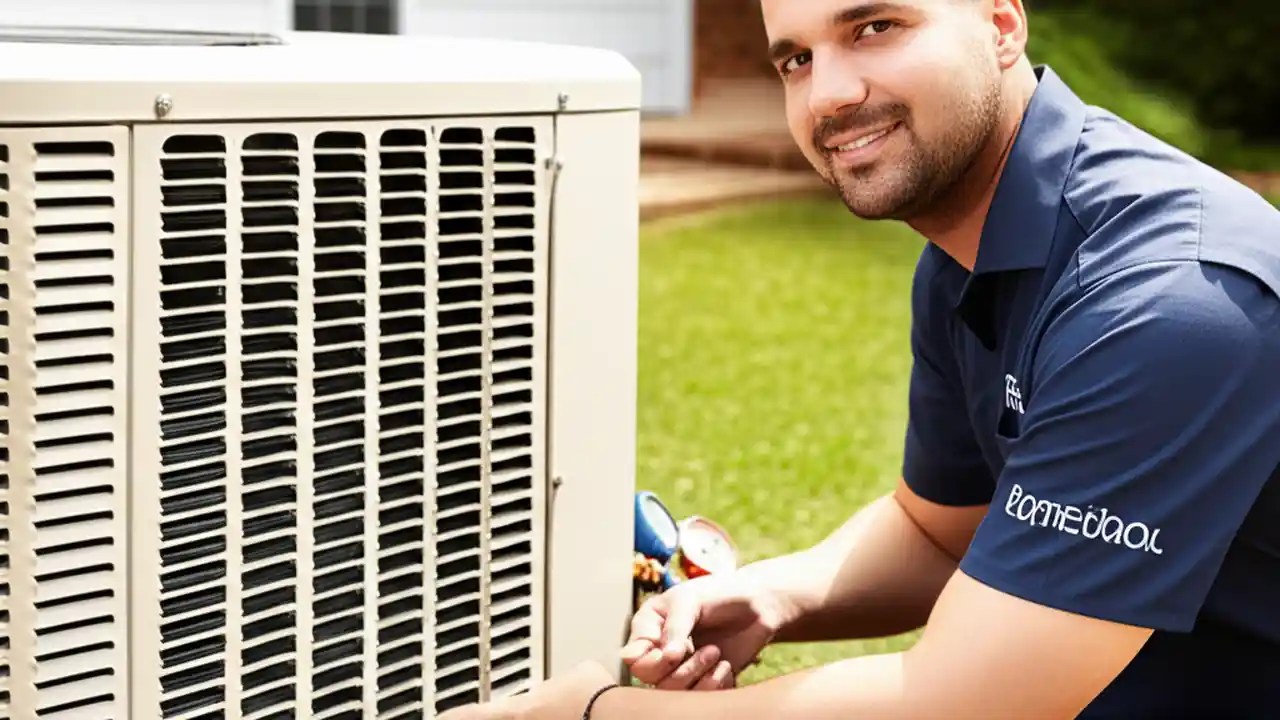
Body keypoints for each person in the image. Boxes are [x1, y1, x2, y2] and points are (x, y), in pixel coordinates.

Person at [440, 0, 1280, 717]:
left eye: (875, 26)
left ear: (1000, 24)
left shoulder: (1173, 299)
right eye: (796, 59)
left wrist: (598, 710)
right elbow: (940, 527)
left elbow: (961, 702)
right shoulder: (970, 253)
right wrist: (777, 595)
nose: (830, 95)